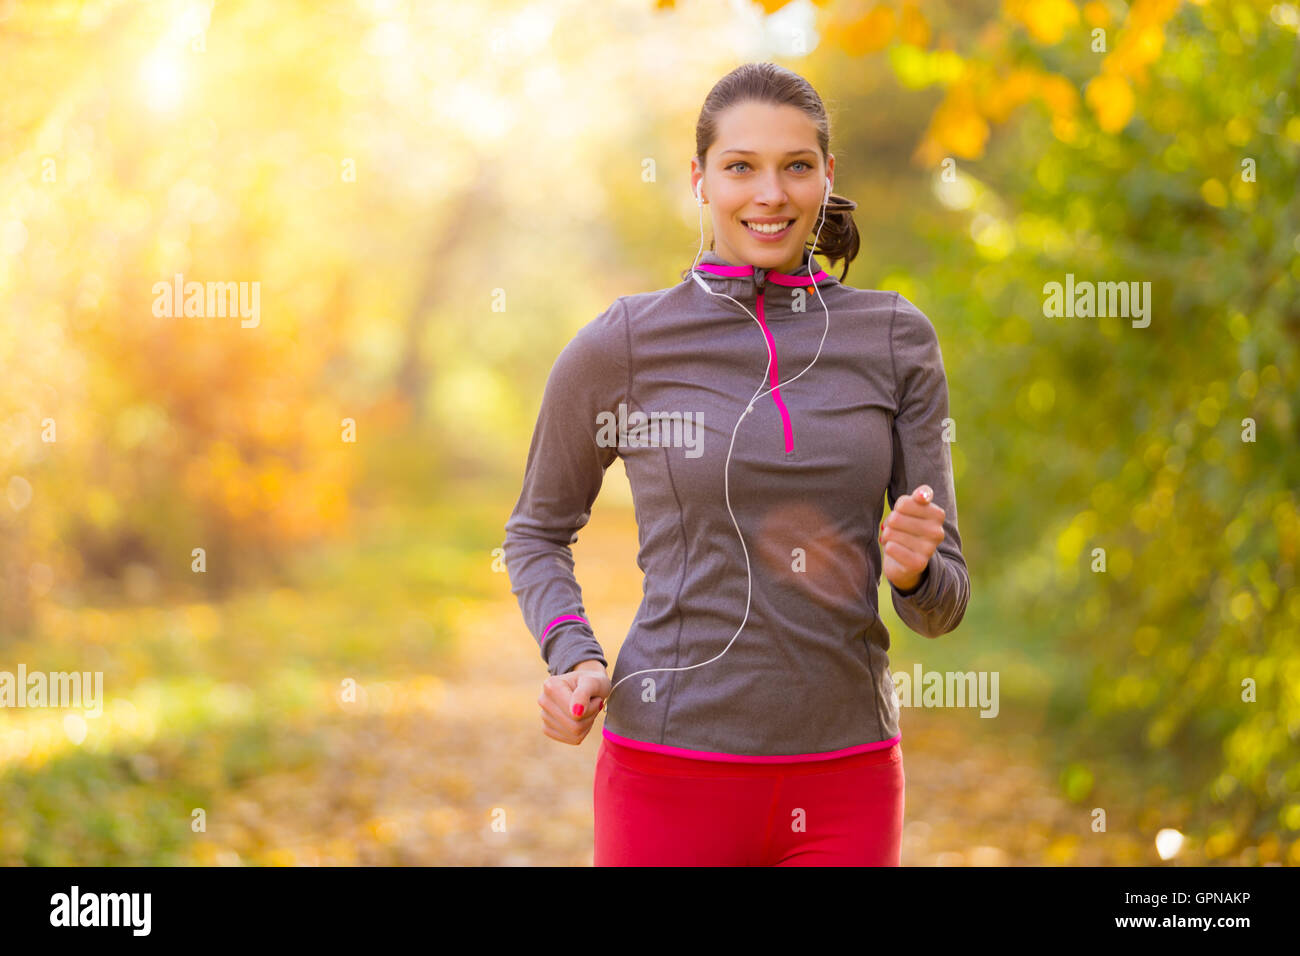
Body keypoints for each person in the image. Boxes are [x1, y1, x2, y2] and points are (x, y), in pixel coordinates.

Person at [503, 62, 970, 866]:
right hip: (669, 770)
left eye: (796, 166)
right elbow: (537, 531)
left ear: (828, 177)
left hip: (845, 776)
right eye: (740, 167)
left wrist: (912, 572)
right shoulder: (626, 343)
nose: (770, 194)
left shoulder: (894, 340)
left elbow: (941, 605)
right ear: (699, 179)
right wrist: (575, 654)